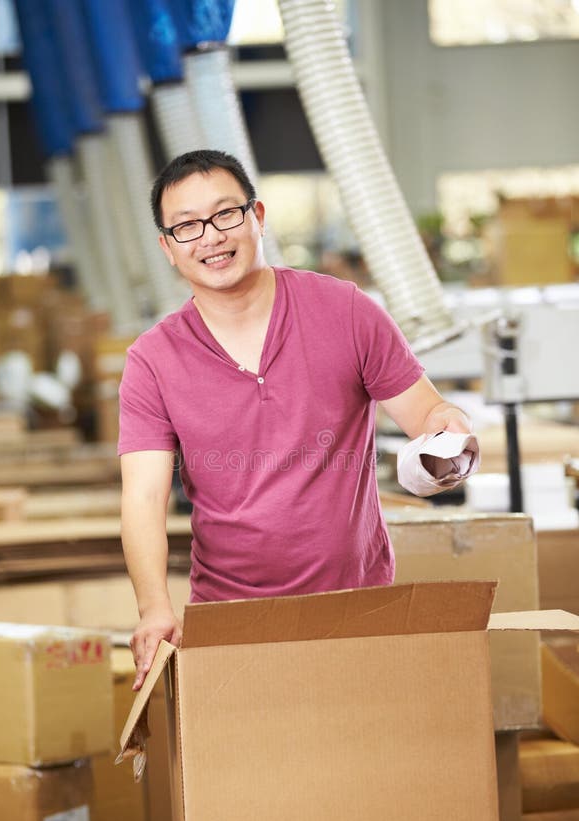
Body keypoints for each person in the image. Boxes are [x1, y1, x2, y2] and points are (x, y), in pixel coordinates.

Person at [119, 149, 472, 690]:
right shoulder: (153, 359)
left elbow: (426, 411)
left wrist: (450, 430)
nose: (210, 237)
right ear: (168, 248)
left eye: (225, 214)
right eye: (187, 226)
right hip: (231, 618)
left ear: (257, 217)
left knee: (364, 761)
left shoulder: (346, 311)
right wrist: (153, 606)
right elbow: (143, 497)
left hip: (358, 606)